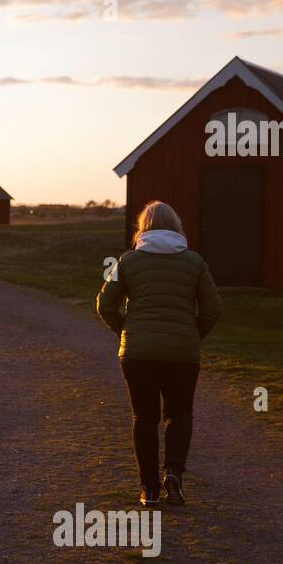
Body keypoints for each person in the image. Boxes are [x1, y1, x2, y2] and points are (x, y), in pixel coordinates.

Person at [96, 201, 222, 507]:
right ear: (177, 227)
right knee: (179, 415)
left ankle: (149, 490)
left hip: (137, 353)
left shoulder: (126, 261)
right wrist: (192, 335)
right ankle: (174, 474)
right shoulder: (195, 262)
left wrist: (124, 331)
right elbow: (213, 308)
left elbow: (104, 304)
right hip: (182, 354)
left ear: (142, 228)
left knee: (144, 417)